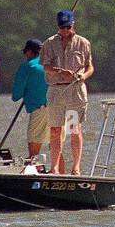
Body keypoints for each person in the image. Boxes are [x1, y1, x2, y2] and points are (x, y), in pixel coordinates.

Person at [39, 9, 94, 174]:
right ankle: (54, 167)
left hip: (75, 91)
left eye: (68, 27)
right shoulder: (49, 43)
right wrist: (60, 71)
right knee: (55, 129)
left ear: (73, 25)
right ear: (58, 27)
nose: (66, 31)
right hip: (56, 90)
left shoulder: (83, 43)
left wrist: (83, 76)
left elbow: (90, 66)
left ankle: (75, 167)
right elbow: (46, 67)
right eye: (63, 27)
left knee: (74, 129)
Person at [10, 38, 50, 159]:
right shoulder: (51, 64)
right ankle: (59, 173)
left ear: (29, 52)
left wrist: (24, 92)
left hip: (40, 109)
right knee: (55, 145)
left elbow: (16, 95)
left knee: (34, 147)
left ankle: (35, 175)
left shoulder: (27, 66)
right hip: (58, 107)